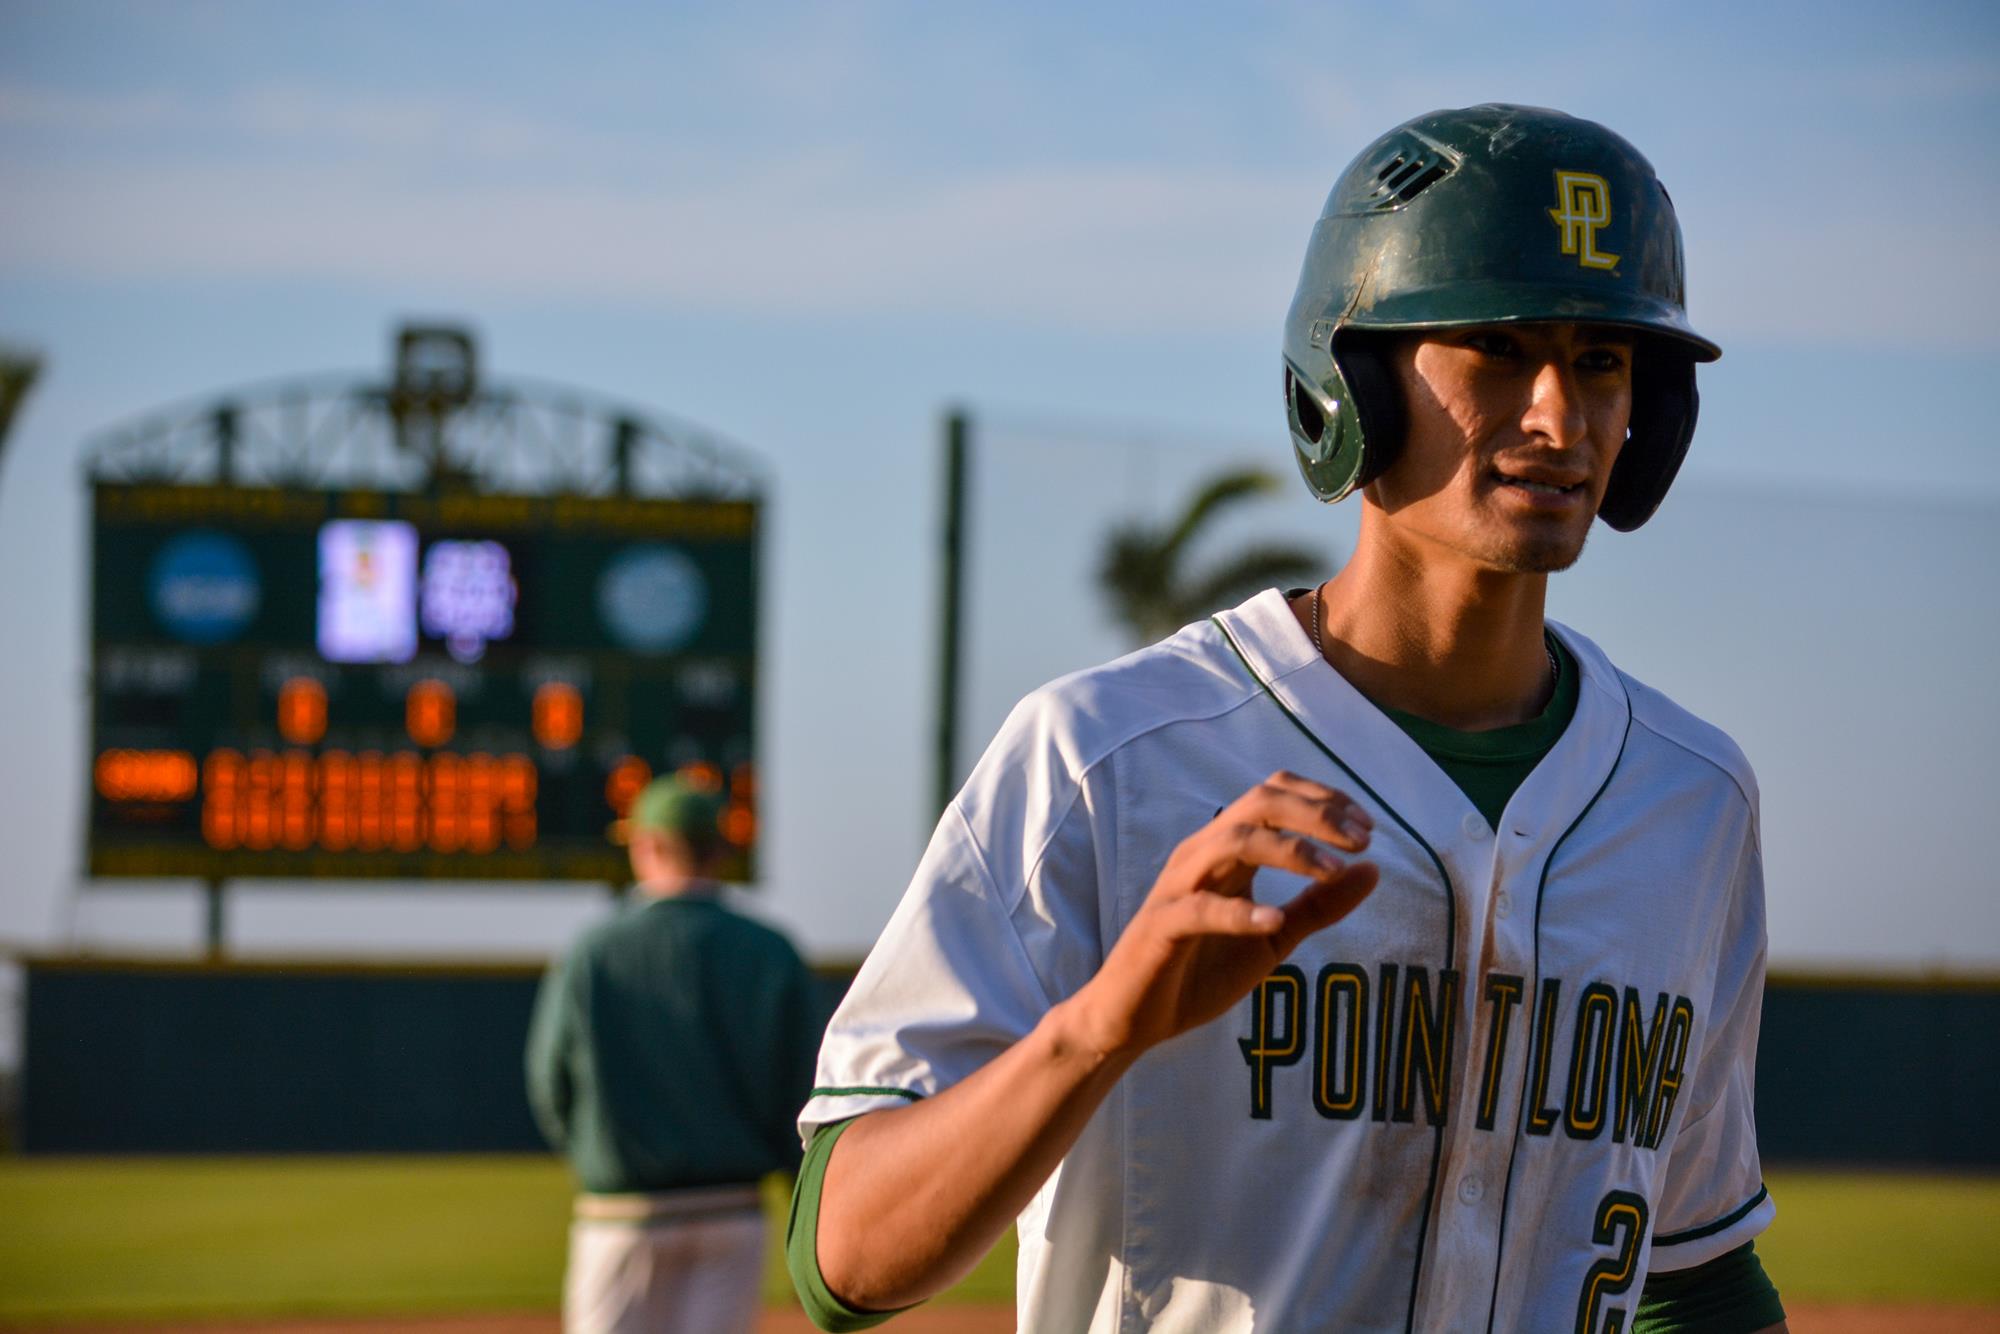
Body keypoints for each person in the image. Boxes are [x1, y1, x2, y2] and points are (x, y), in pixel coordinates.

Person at [788, 105, 1788, 1332]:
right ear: (1350, 378)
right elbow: (841, 1255)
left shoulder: (1687, 801)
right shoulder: (1111, 755)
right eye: (1494, 344)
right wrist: (1099, 1028)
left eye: (1598, 360)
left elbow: (1692, 1269)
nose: (1557, 416)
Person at [527, 774, 820, 1334]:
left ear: (650, 845)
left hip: (623, 1211)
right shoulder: (771, 951)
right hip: (733, 1209)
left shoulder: (594, 951)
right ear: (720, 850)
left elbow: (551, 1081)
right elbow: (802, 1086)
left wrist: (596, 1154)